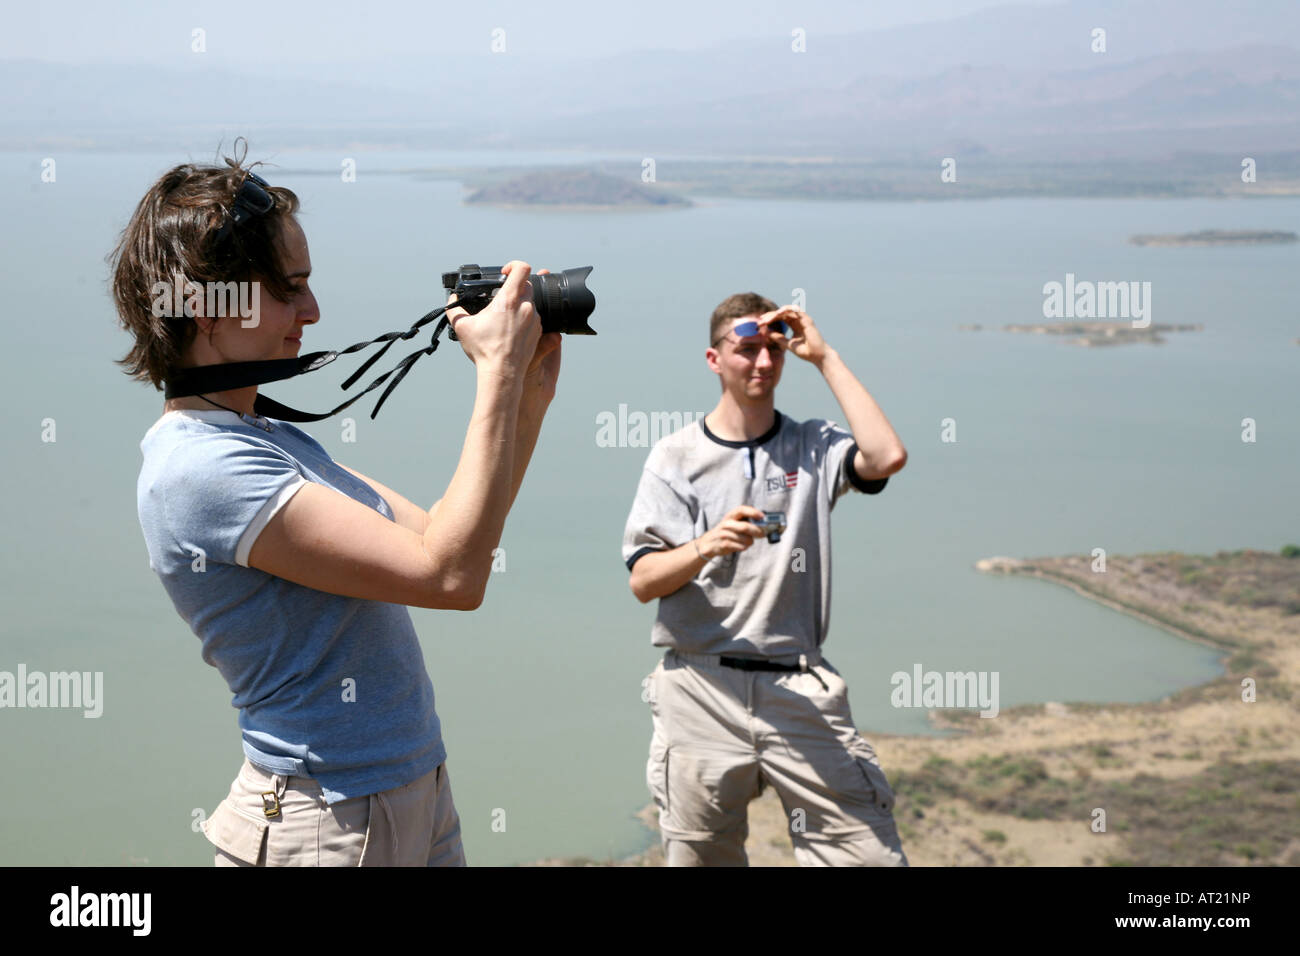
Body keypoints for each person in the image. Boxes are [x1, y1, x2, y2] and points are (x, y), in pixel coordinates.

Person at [112, 145, 561, 866]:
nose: (312, 312)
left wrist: (527, 397)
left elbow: (450, 536)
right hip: (325, 821)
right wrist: (497, 374)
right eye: (289, 289)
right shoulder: (203, 469)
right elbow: (451, 578)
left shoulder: (270, 439)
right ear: (207, 303)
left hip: (403, 792)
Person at [621, 291, 909, 866]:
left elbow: (886, 456)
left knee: (869, 856)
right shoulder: (675, 456)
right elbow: (644, 579)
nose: (762, 363)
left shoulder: (812, 444)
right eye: (746, 348)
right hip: (700, 687)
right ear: (714, 359)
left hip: (797, 682)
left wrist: (823, 356)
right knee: (702, 858)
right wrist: (705, 546)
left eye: (773, 350)